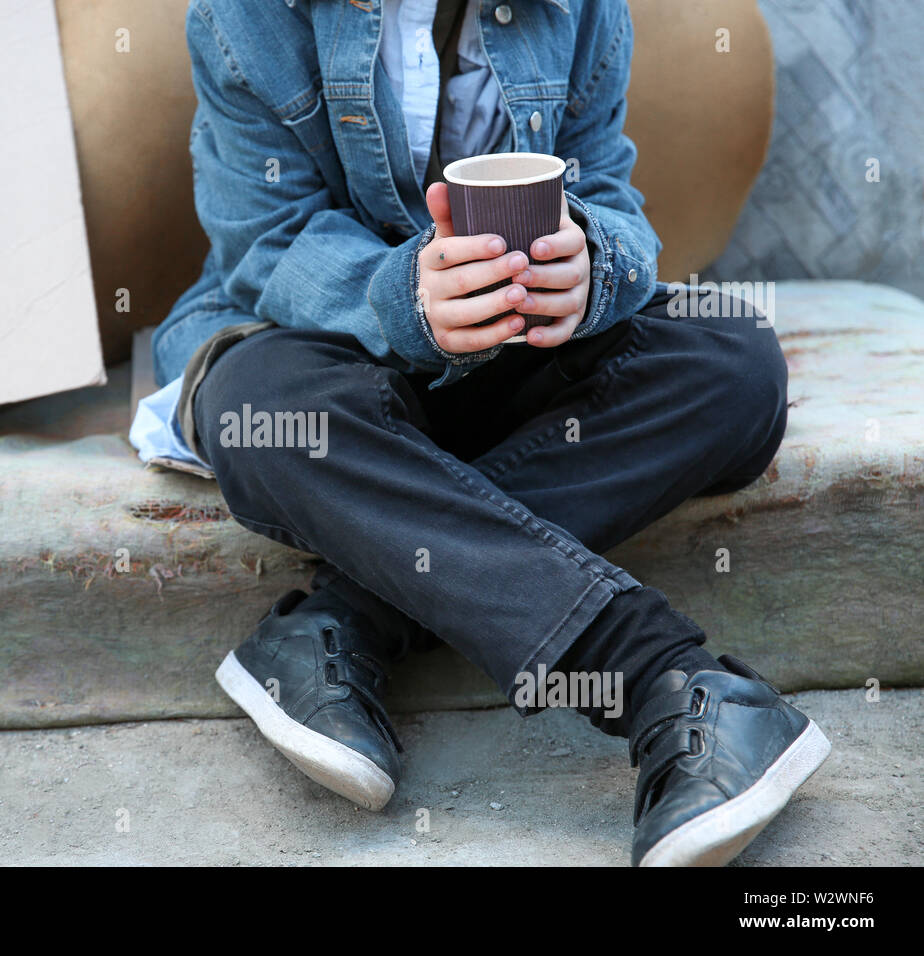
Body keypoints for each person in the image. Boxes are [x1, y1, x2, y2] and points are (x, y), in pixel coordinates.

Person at [133, 0, 829, 866]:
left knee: (734, 362)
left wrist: (593, 263)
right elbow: (262, 244)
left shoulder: (580, 9)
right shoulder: (245, 17)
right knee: (258, 410)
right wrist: (405, 299)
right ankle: (664, 680)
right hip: (325, 354)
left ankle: (349, 618)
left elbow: (607, 190)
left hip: (509, 362)